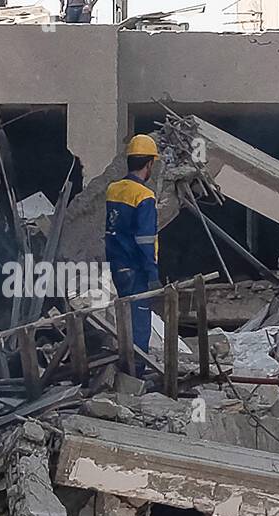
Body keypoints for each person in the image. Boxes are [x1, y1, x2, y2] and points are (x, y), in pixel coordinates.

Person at [105, 135, 161, 370]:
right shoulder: (144, 196)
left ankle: (124, 366)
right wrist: (153, 275)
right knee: (139, 323)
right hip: (136, 268)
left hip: (117, 265)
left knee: (124, 319)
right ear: (149, 164)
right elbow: (145, 240)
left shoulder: (113, 189)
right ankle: (134, 375)